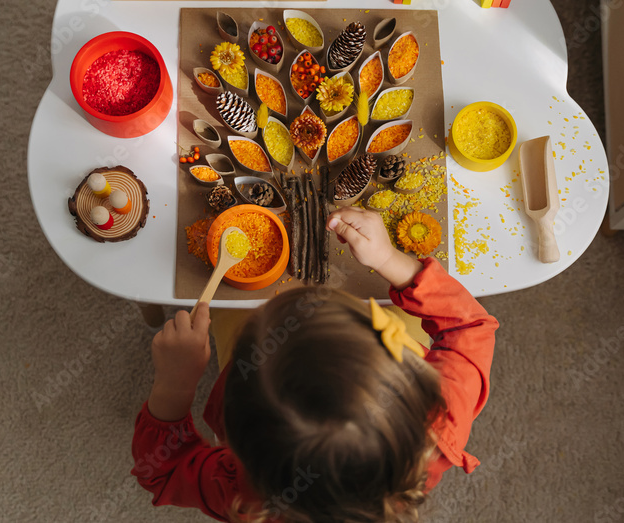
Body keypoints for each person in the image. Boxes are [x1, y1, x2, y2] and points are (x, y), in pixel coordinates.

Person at [132, 207, 498, 522]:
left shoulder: (242, 497)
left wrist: (175, 384)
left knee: (227, 313)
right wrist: (389, 260)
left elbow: (162, 472)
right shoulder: (441, 416)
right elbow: (468, 326)